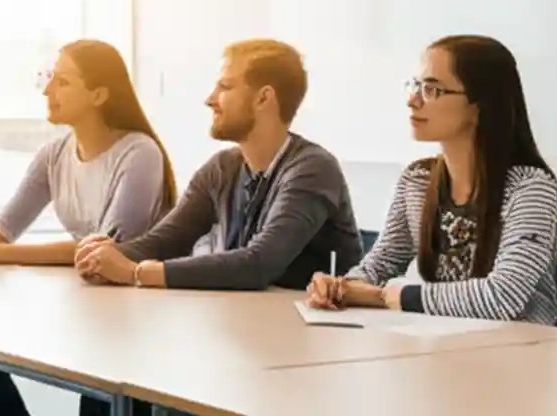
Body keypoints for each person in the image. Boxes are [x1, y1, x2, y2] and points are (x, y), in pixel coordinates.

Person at [0, 39, 176, 416]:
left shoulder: (139, 152)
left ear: (99, 94)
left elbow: (108, 252)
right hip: (89, 305)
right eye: (49, 77)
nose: (48, 89)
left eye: (62, 81)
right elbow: (3, 229)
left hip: (135, 318)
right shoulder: (54, 154)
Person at [307, 35, 557, 323]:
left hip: (522, 354)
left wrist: (384, 296)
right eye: (416, 86)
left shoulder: (531, 189)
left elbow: (502, 298)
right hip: (440, 346)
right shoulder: (417, 180)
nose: (412, 100)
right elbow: (381, 264)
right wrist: (341, 288)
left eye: (432, 89)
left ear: (479, 106)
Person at [76, 38, 362, 292]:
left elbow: (259, 264)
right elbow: (165, 241)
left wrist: (136, 272)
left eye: (224, 86)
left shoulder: (313, 169)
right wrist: (105, 256)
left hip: (313, 340)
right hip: (249, 327)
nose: (210, 99)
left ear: (264, 98)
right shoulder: (223, 167)